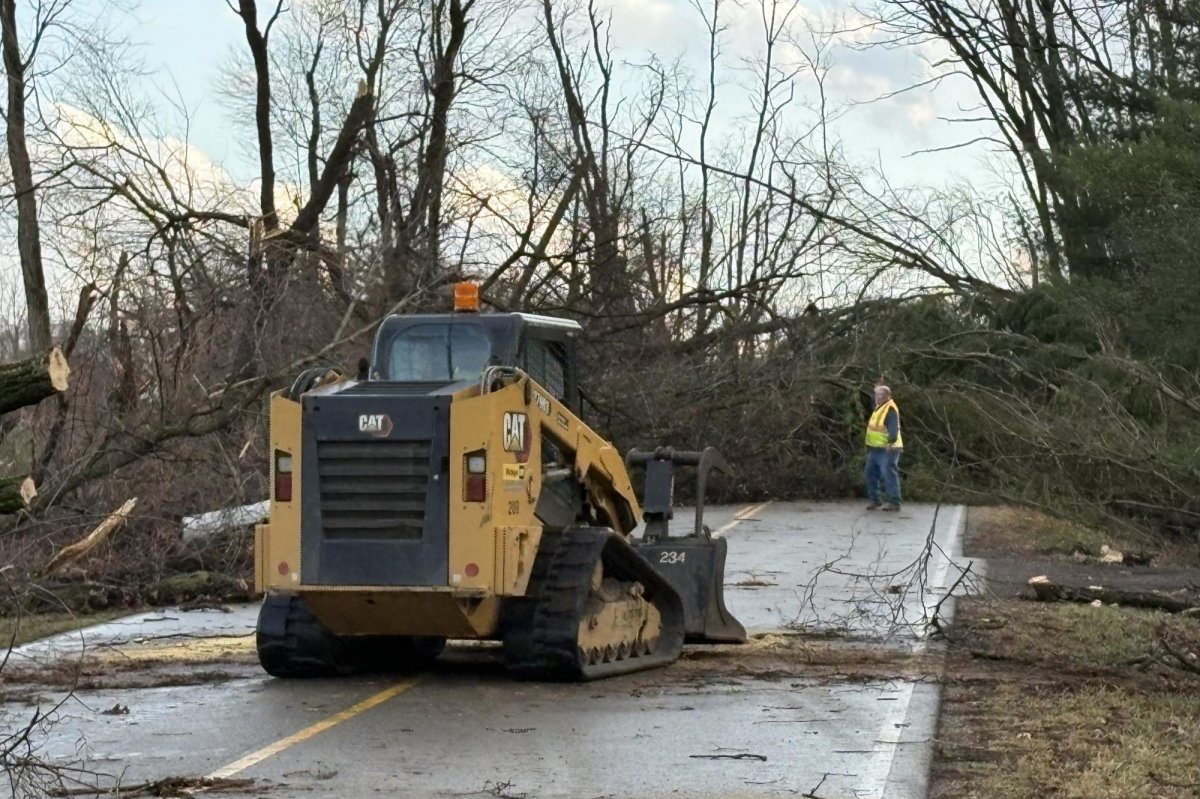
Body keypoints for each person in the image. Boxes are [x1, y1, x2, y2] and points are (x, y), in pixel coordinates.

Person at [864, 384, 903, 512]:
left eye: (879, 395)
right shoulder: (879, 407)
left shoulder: (890, 409)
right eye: (875, 394)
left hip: (887, 449)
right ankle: (875, 500)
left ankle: (894, 502)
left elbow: (893, 427)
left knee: (889, 474)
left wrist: (890, 442)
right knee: (870, 473)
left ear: (886, 396)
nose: (876, 397)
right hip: (875, 448)